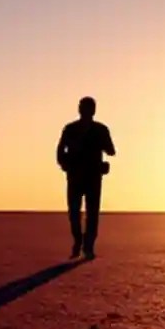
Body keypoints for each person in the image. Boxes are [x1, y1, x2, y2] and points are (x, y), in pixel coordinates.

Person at [56, 96, 115, 259]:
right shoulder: (70, 129)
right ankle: (78, 241)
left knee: (92, 212)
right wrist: (65, 165)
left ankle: (88, 246)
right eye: (84, 107)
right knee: (74, 212)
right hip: (75, 176)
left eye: (89, 108)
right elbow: (60, 150)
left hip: (93, 177)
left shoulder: (101, 130)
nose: (86, 111)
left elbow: (111, 150)